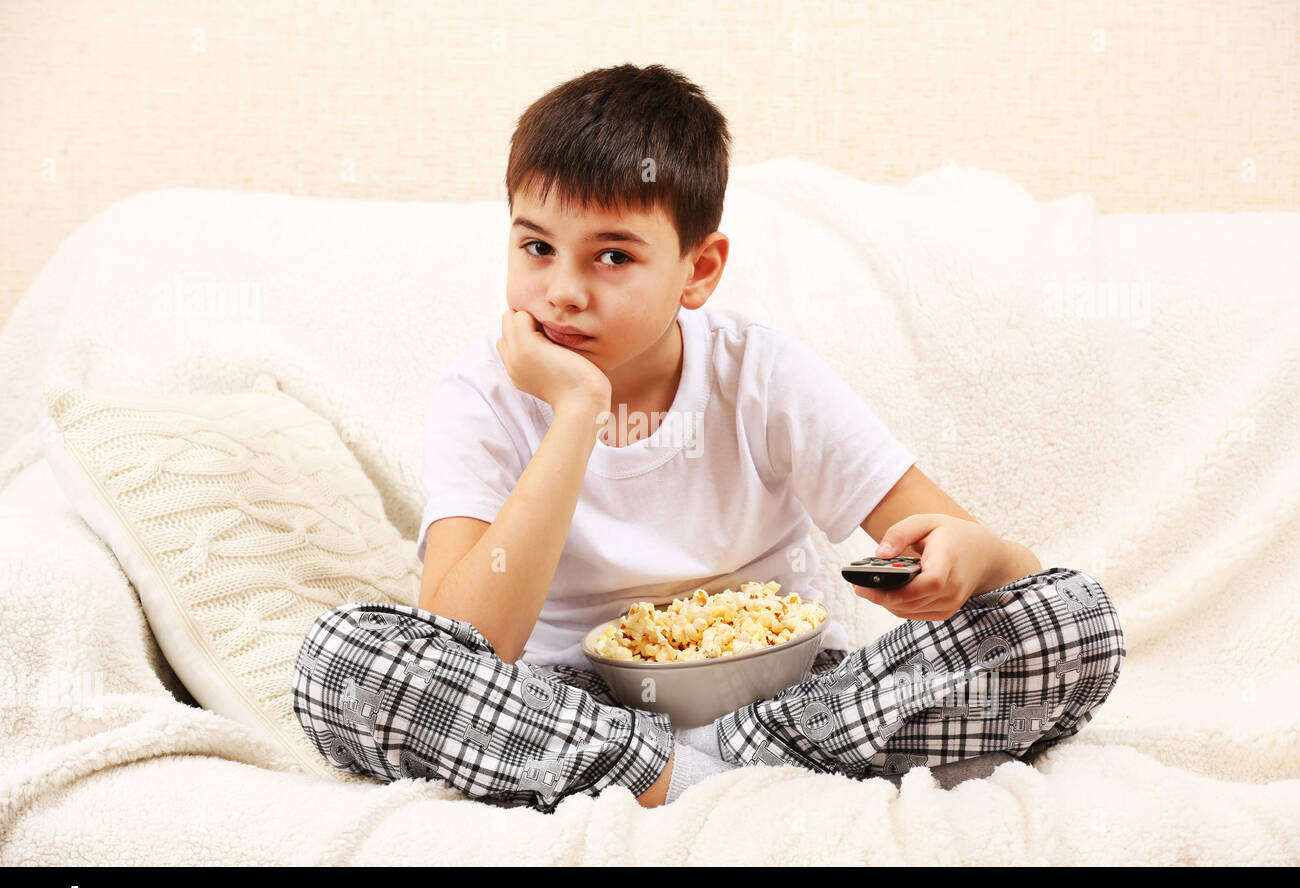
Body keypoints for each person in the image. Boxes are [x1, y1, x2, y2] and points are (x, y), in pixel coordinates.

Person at [292, 64, 1125, 813]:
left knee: (1071, 620)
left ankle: (687, 771)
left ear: (699, 270)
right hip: (558, 705)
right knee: (342, 660)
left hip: (787, 700)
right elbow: (468, 642)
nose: (563, 292)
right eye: (537, 247)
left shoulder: (761, 376)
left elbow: (980, 562)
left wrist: (972, 559)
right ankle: (688, 777)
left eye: (612, 256)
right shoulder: (483, 393)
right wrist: (576, 414)